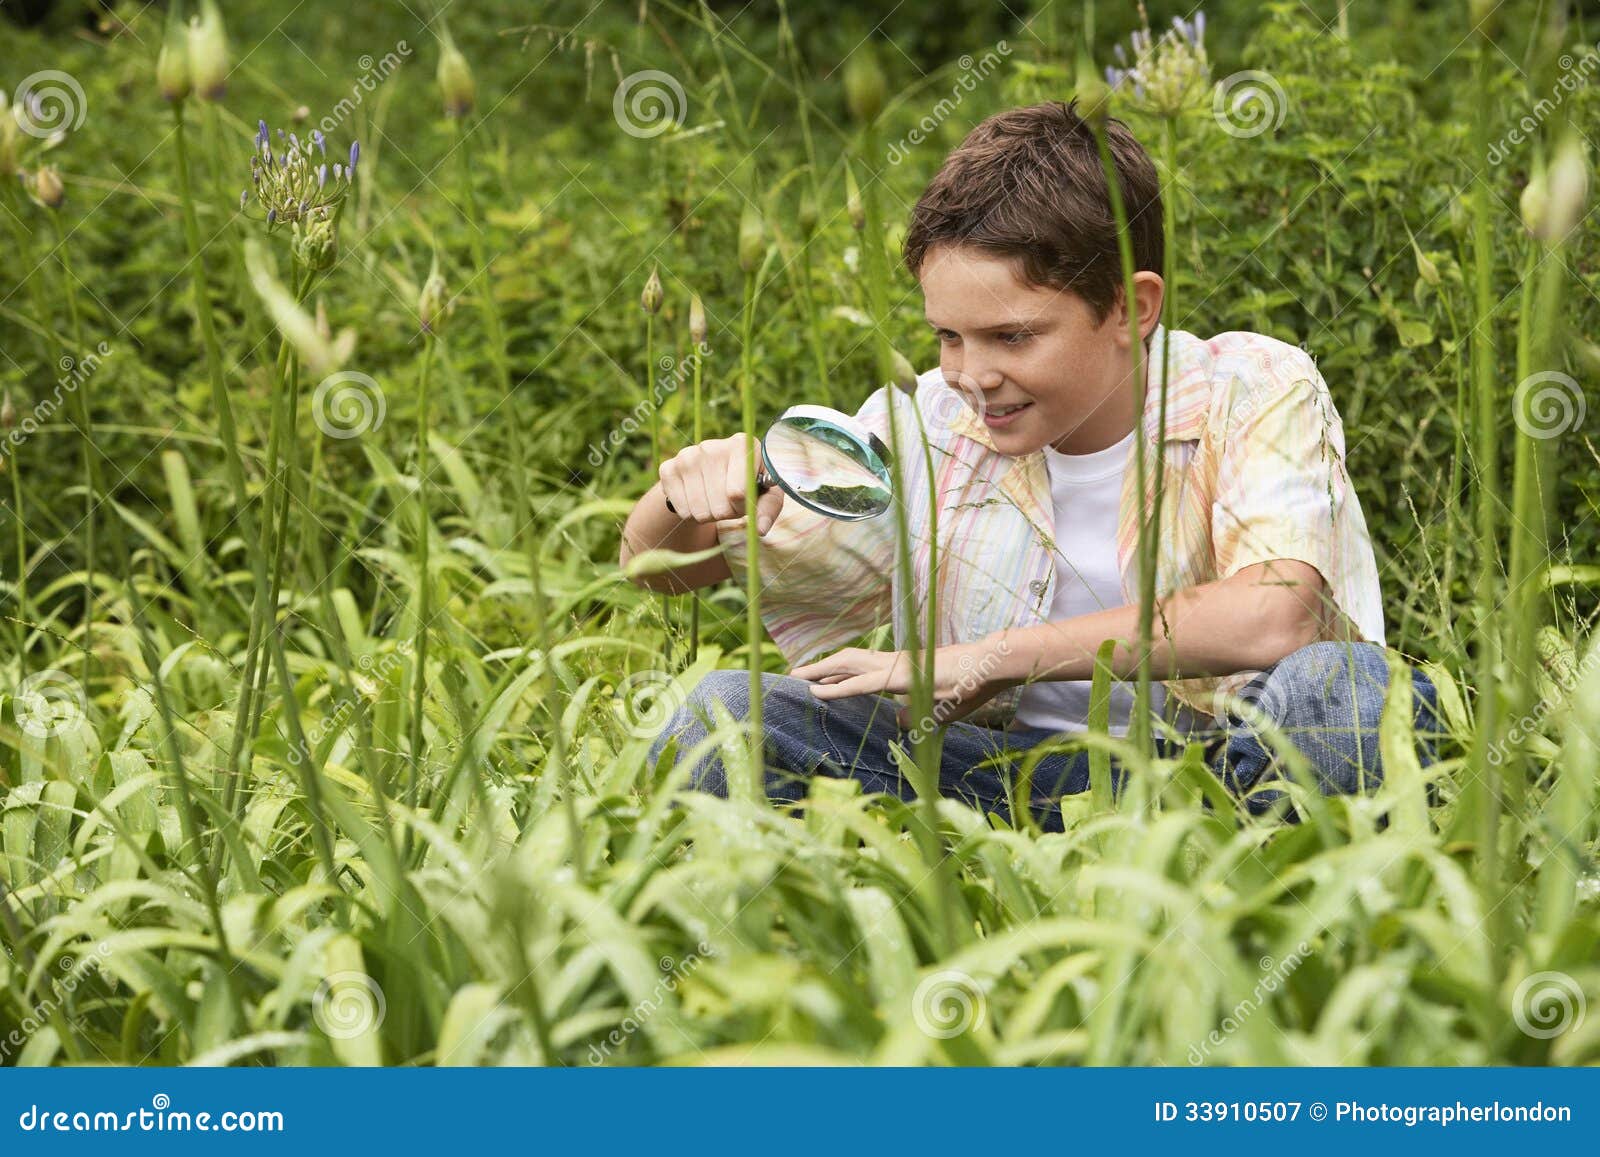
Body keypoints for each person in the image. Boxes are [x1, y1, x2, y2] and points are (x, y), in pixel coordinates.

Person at [619, 100, 1441, 829]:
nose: (972, 375)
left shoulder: (1253, 384)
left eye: (1012, 337)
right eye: (948, 336)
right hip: (997, 786)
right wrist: (686, 497)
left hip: (1221, 772)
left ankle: (1270, 915)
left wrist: (987, 658)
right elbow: (660, 573)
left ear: (1131, 306)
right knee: (727, 711)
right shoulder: (926, 421)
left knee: (1348, 688)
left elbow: (1274, 616)